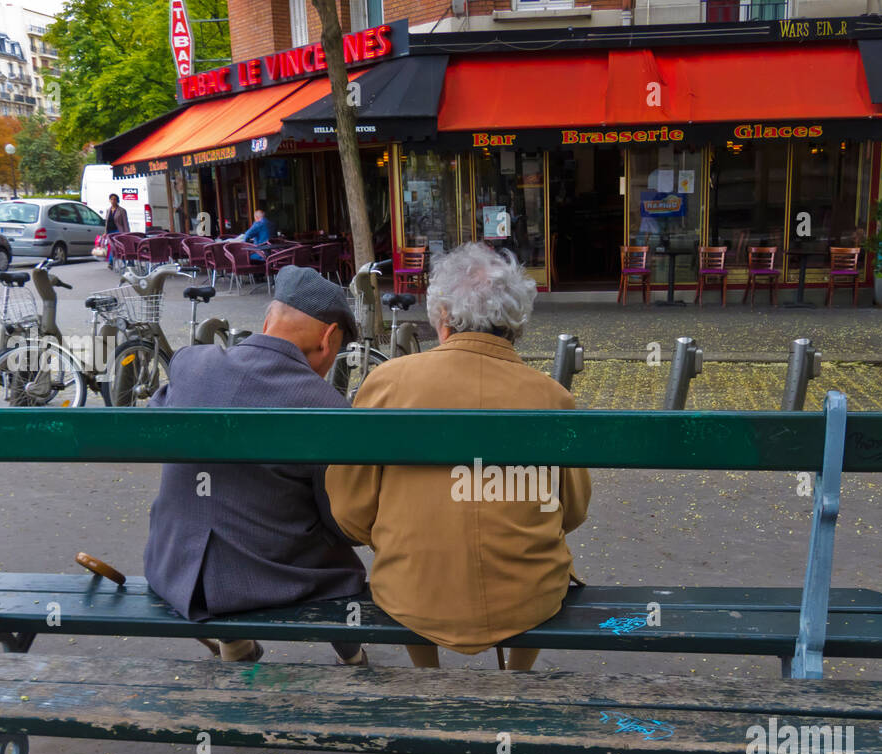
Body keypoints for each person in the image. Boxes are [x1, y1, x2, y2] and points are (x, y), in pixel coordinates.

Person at [326, 243, 591, 670]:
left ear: (443, 316)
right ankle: (516, 678)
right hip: (526, 598)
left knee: (415, 560)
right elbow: (572, 512)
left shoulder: (388, 382)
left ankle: (427, 675)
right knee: (536, 572)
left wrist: (397, 535)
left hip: (414, 590)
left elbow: (350, 507)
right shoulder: (551, 397)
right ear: (514, 318)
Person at [144, 266, 369, 665]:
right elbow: (337, 518)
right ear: (328, 337)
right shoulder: (324, 406)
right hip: (265, 580)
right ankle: (352, 657)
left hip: (175, 569)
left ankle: (235, 646)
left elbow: (159, 420)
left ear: (268, 320)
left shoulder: (191, 364)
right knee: (338, 555)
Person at [103, 193, 129, 269]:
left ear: (117, 200)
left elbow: (125, 222)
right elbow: (106, 222)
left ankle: (115, 262)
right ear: (109, 200)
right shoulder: (108, 210)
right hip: (110, 231)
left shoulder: (122, 211)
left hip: (118, 231)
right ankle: (112, 262)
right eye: (111, 199)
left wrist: (126, 234)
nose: (113, 201)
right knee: (111, 247)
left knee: (118, 247)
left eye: (114, 199)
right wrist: (105, 232)